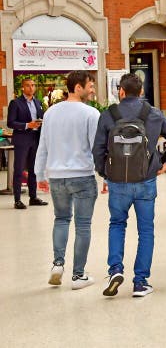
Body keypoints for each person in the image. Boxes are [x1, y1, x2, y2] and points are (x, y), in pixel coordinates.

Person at [93, 73, 166, 298]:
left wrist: (106, 172)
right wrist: (165, 164)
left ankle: (115, 269)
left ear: (121, 91)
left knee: (117, 224)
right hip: (145, 179)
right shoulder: (152, 113)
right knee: (146, 230)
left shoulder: (108, 115)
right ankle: (140, 282)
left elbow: (97, 150)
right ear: (142, 91)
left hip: (118, 181)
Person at [34, 71, 99, 290]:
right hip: (82, 176)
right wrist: (105, 174)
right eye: (90, 85)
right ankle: (78, 276)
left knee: (61, 219)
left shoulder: (51, 113)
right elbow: (95, 148)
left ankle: (57, 264)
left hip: (57, 177)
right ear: (78, 87)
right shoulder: (90, 114)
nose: (92, 89)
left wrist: (39, 174)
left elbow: (43, 144)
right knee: (83, 225)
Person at [8, 77, 47, 209]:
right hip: (22, 139)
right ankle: (17, 200)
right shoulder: (15, 103)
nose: (31, 88)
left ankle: (33, 197)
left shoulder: (38, 102)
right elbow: (10, 122)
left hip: (35, 139)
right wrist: (27, 125)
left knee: (33, 170)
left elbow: (41, 118)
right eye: (28, 85)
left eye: (33, 85)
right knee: (18, 170)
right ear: (22, 88)